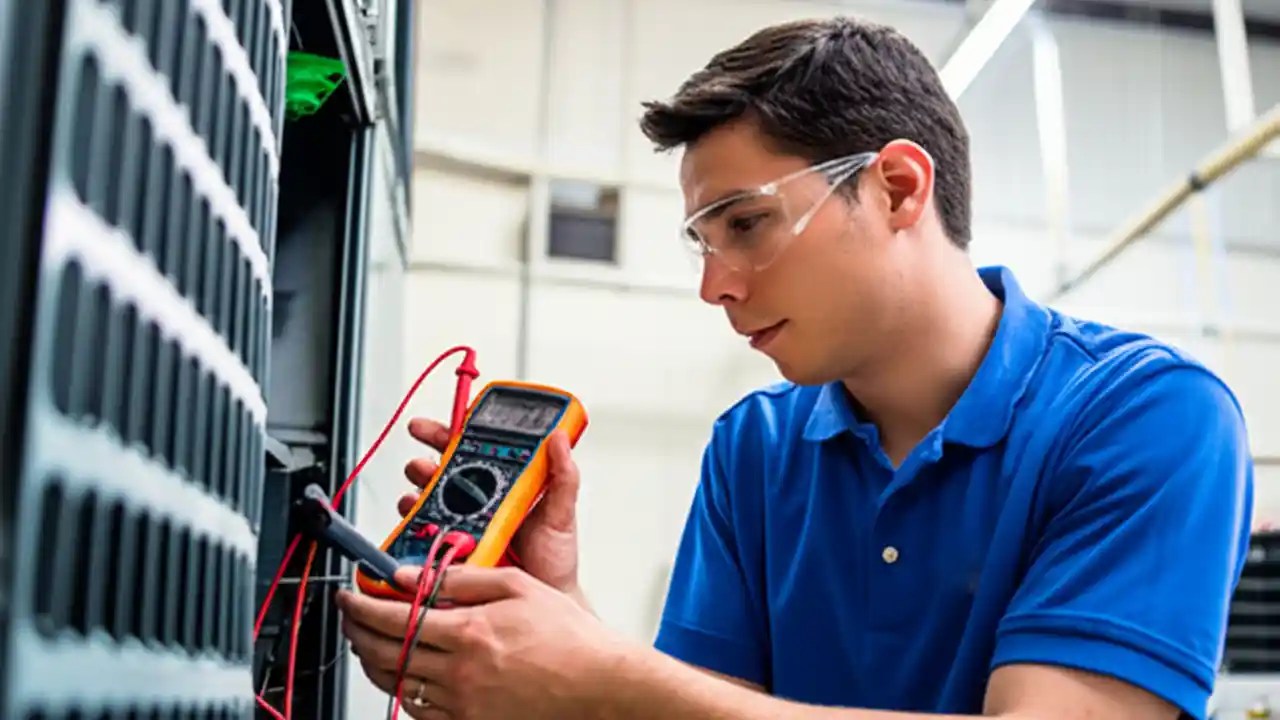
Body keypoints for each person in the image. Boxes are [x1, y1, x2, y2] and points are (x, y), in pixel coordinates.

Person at [336, 15, 1254, 720]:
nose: (715, 287)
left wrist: (598, 673)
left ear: (898, 188)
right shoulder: (756, 448)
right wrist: (551, 616)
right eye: (701, 241)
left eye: (745, 224)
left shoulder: (1149, 418)